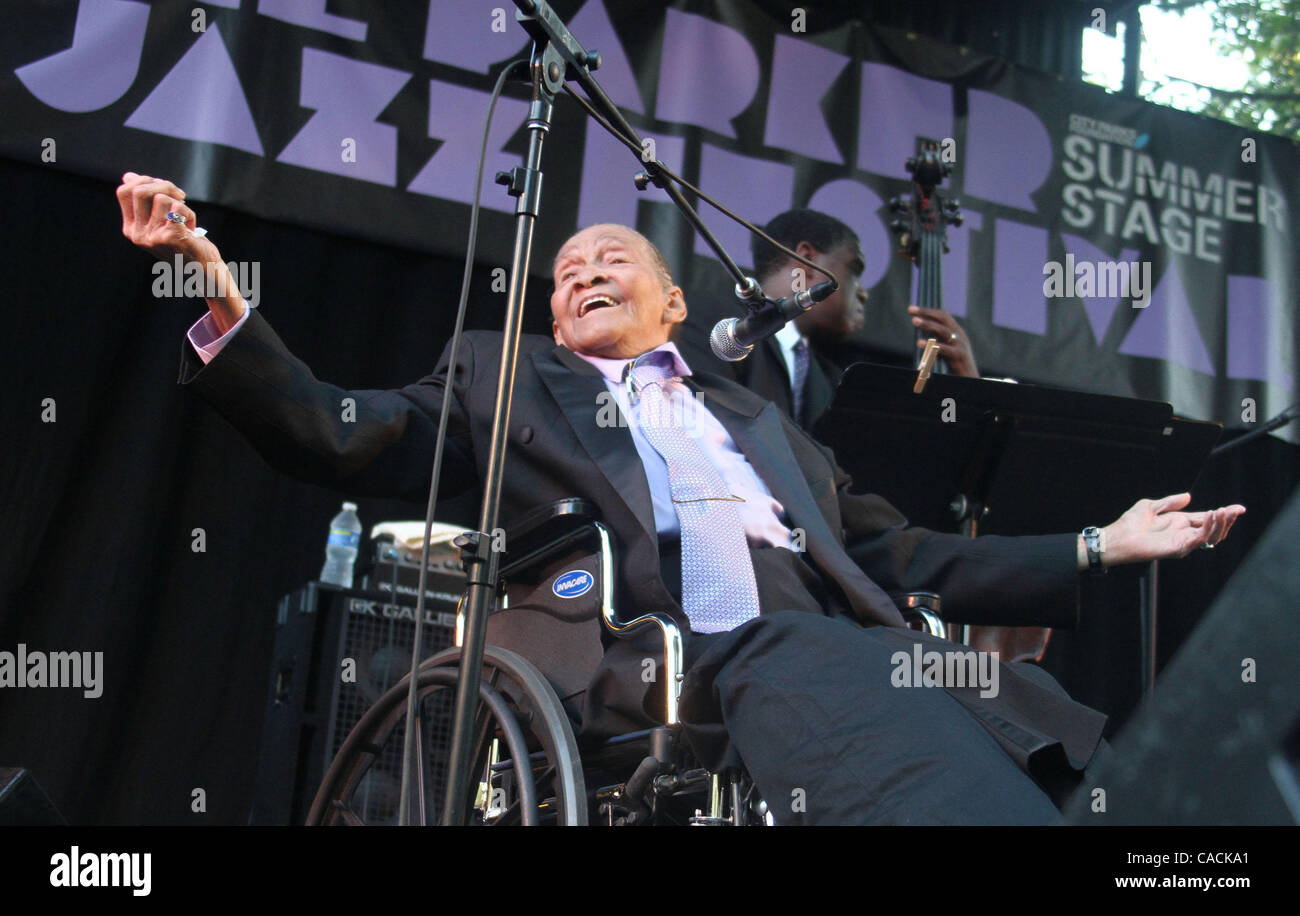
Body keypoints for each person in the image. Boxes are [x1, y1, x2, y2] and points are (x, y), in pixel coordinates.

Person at [117, 172, 1245, 825]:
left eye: (609, 260)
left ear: (669, 304)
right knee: (815, 660)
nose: (581, 275)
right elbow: (337, 428)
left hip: (845, 649)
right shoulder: (506, 377)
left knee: (1027, 708)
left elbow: (907, 557)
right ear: (554, 320)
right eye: (564, 275)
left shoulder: (761, 423)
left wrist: (1103, 542)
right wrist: (209, 282)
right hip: (651, 647)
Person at [679, 208, 979, 431]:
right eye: (856, 270)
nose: (864, 294)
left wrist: (967, 386)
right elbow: (700, 428)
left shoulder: (833, 383)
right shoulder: (712, 320)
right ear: (806, 261)